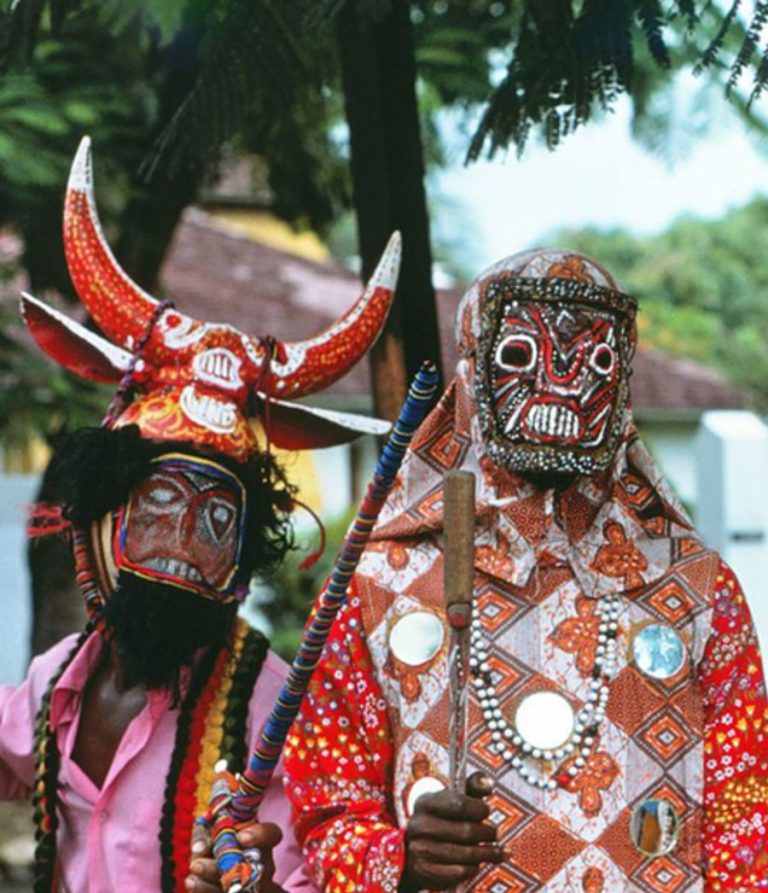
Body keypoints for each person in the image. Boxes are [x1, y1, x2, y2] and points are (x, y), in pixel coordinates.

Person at [284, 249, 768, 892]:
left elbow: (744, 821)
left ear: (620, 383)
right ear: (472, 373)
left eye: (593, 362)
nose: (562, 384)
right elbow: (327, 807)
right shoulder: (378, 585)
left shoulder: (697, 589)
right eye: (520, 357)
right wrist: (400, 860)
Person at [0, 136, 400, 893]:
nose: (186, 545)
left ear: (244, 553)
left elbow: (309, 872)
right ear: (102, 516)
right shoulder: (60, 677)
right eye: (158, 505)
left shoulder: (272, 704)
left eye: (219, 522)